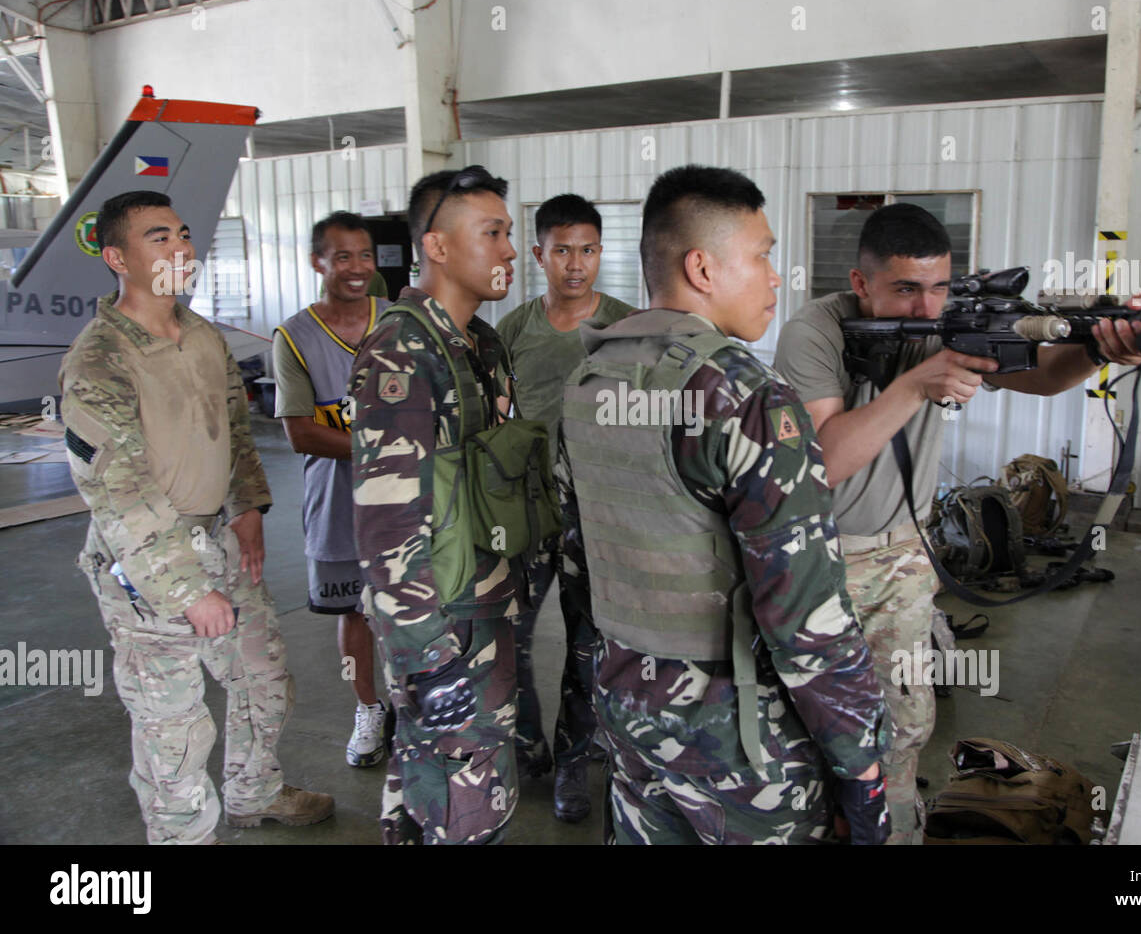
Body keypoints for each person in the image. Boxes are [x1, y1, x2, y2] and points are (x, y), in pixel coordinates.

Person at [773, 202, 1141, 844]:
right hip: (817, 562)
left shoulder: (950, 323)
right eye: (906, 290)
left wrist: (1096, 349)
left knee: (902, 725)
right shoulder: (816, 330)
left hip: (903, 561)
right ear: (861, 283)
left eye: (940, 287)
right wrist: (916, 386)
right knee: (808, 730)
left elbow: (1045, 375)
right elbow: (824, 460)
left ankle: (890, 831)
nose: (926, 310)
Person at [557, 165, 891, 844]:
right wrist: (863, 778)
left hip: (630, 722)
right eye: (763, 255)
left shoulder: (590, 379)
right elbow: (808, 624)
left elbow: (580, 572)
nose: (775, 277)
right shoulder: (745, 397)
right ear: (703, 268)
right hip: (743, 750)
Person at [59, 190, 333, 844]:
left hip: (220, 544)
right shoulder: (98, 359)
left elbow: (235, 434)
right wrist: (187, 586)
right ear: (117, 258)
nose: (181, 247)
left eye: (183, 233)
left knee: (263, 677)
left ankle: (253, 791)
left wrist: (247, 510)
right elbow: (118, 491)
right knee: (175, 727)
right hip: (149, 564)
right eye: (159, 237)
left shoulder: (204, 336)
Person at [349, 166, 526, 844]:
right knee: (461, 802)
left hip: (483, 604)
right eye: (492, 233)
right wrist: (429, 660)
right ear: (439, 247)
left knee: (433, 785)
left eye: (509, 233)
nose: (509, 250)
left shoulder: (482, 343)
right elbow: (387, 528)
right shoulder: (401, 353)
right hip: (441, 621)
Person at [495, 194, 635, 822]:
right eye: (561, 250)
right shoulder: (512, 332)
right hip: (527, 516)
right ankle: (527, 745)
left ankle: (575, 761)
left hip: (598, 519)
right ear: (538, 255)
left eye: (587, 250)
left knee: (588, 646)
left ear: (601, 253)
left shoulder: (629, 329)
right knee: (509, 638)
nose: (575, 264)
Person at [273, 210, 388, 768]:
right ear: (317, 262)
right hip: (337, 506)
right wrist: (389, 449)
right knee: (355, 614)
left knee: (421, 609)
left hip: (411, 505)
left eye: (364, 255)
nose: (357, 267)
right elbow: (301, 432)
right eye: (343, 257)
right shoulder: (294, 336)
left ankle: (421, 713)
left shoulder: (401, 321)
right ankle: (368, 708)